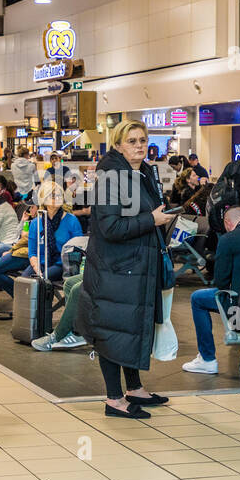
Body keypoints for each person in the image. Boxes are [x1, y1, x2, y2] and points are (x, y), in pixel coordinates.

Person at [75, 120, 174, 420]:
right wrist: (152, 221)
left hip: (134, 268)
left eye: (142, 139)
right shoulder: (111, 177)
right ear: (118, 144)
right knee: (112, 332)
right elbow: (110, 227)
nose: (140, 145)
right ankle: (114, 399)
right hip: (115, 269)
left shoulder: (140, 173)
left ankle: (133, 388)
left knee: (130, 328)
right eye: (132, 141)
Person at [182, 206, 240, 375]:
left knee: (197, 298)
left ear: (228, 223)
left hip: (237, 307)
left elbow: (221, 280)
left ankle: (207, 359)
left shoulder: (228, 239)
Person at [0, 182, 81, 294]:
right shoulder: (37, 222)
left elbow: (77, 251)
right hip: (39, 263)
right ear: (44, 199)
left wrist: (40, 273)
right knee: (23, 284)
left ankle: (41, 310)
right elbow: (32, 252)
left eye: (60, 195)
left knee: (38, 282)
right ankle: (26, 308)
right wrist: (36, 267)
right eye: (53, 195)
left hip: (60, 264)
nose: (58, 198)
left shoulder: (71, 220)